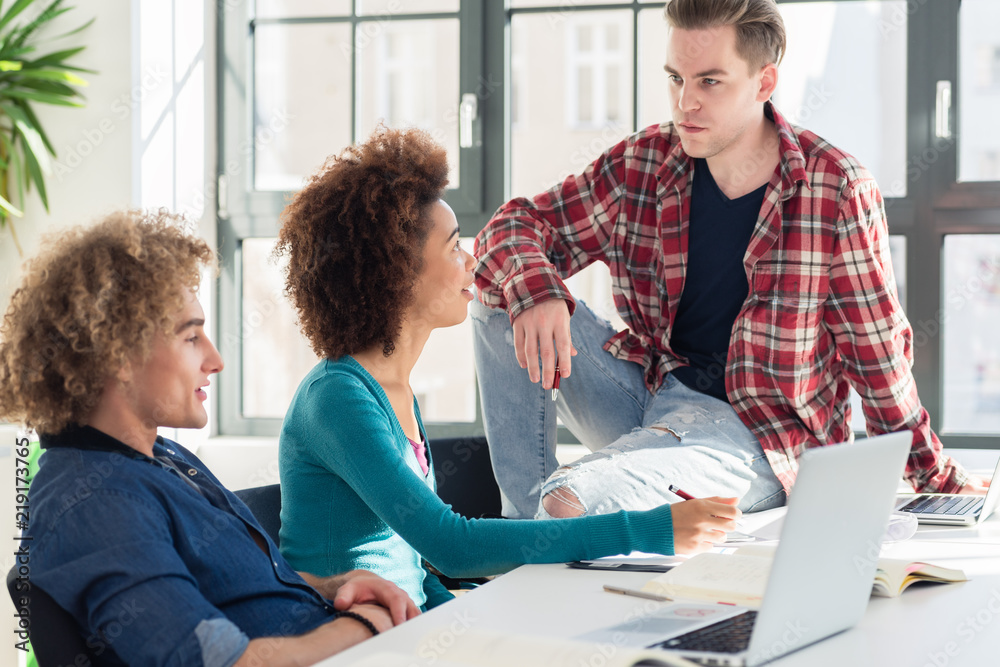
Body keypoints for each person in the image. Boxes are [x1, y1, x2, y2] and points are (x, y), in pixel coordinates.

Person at [472, 0, 988, 522]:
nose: (684, 103)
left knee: (570, 501)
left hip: (760, 436)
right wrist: (537, 291)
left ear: (764, 83)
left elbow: (875, 354)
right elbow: (512, 227)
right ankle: (518, 534)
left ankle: (546, 523)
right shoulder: (644, 162)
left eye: (710, 82)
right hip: (649, 391)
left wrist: (934, 475)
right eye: (676, 78)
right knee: (499, 298)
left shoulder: (834, 188)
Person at [275, 126, 739, 611]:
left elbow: (414, 566)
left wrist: (474, 608)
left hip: (403, 625)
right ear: (397, 273)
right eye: (454, 248)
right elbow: (451, 546)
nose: (472, 260)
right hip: (347, 640)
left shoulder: (394, 390)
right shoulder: (337, 398)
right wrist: (653, 528)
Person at [0, 210, 419, 667]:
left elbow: (237, 589)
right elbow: (223, 663)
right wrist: (362, 626)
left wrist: (333, 587)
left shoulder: (159, 456)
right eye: (191, 337)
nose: (216, 360)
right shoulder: (98, 501)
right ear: (118, 355)